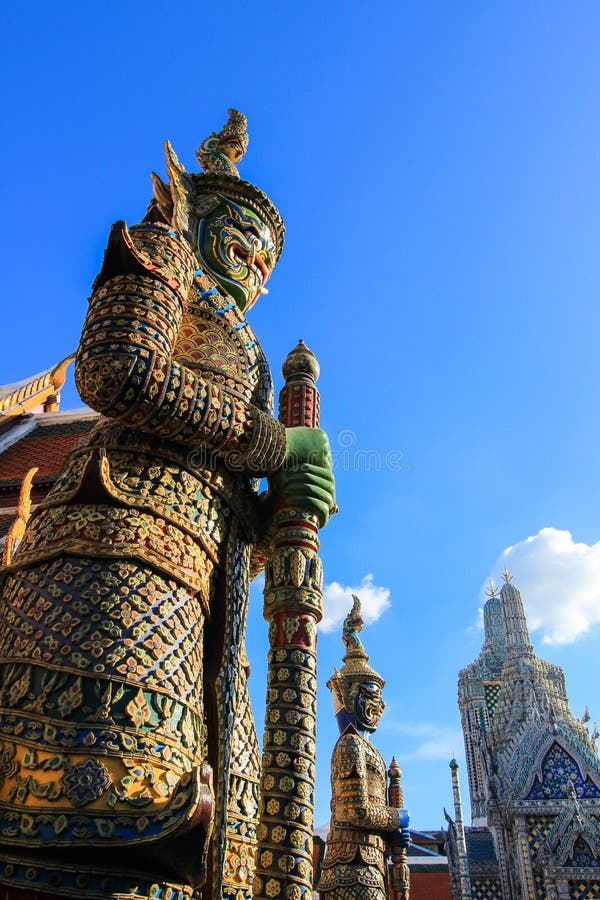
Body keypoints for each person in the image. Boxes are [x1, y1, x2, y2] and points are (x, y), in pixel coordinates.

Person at [0, 110, 335, 900]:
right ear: (199, 217)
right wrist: (271, 447)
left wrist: (279, 516)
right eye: (239, 234)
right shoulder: (162, 257)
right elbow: (117, 373)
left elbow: (226, 496)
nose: (253, 259)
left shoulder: (248, 350)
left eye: (266, 253)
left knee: (199, 842)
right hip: (112, 553)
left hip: (203, 597)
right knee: (101, 815)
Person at [318, 596, 409, 900]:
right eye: (370, 696)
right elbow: (356, 810)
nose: (379, 706)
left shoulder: (370, 751)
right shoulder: (349, 746)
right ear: (349, 695)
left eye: (380, 698)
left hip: (372, 864)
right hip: (351, 865)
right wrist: (397, 819)